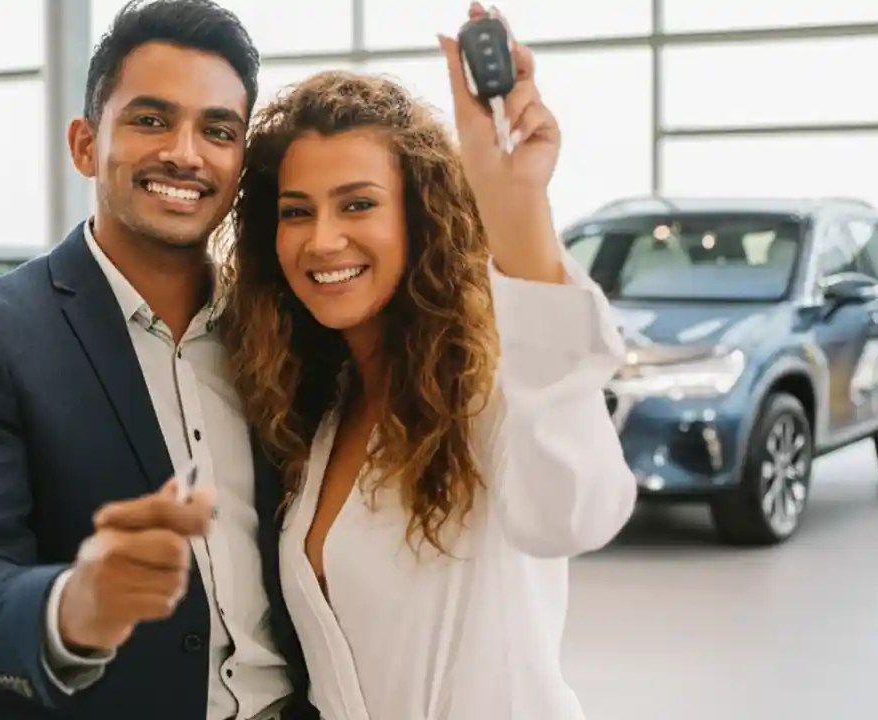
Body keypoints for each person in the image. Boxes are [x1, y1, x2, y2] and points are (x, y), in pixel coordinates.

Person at [0, 1, 316, 718]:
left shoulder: (278, 331)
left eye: (218, 130)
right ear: (86, 144)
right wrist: (72, 606)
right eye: (151, 120)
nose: (186, 153)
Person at [219, 5, 637, 719]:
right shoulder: (327, 407)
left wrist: (516, 205)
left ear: (418, 217)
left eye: (357, 204)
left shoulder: (487, 387)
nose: (323, 240)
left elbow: (576, 513)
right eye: (297, 211)